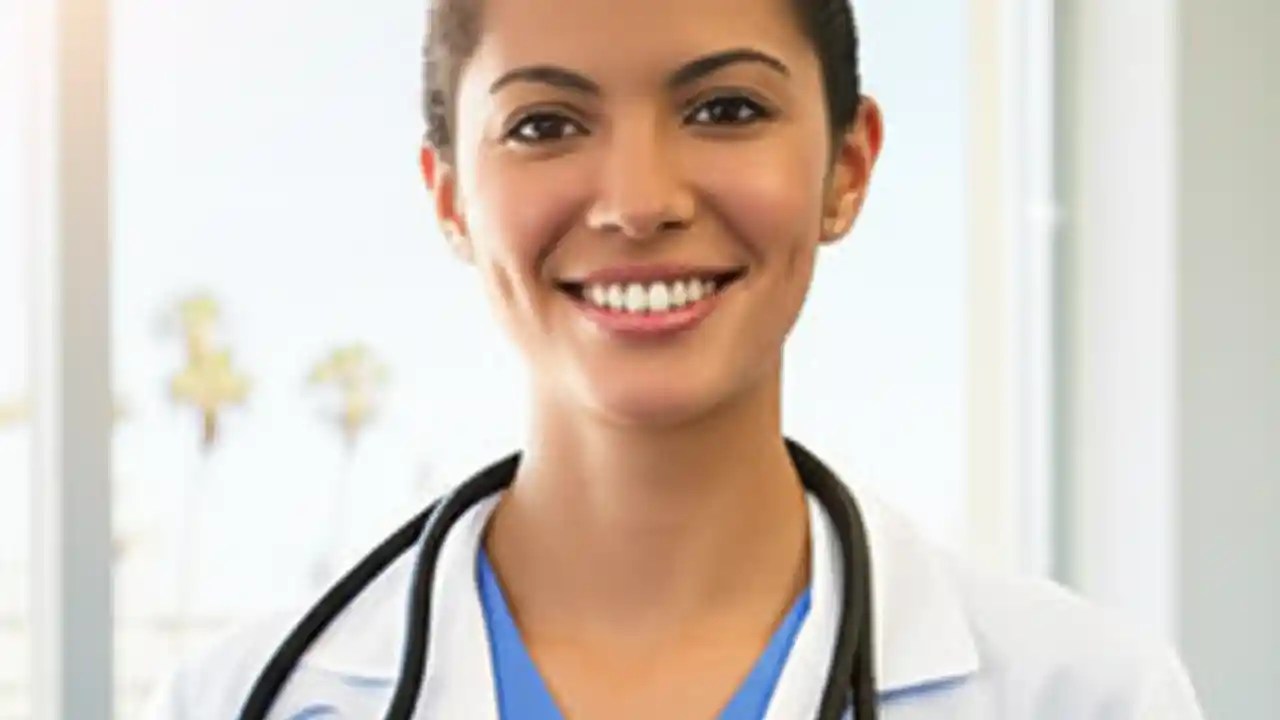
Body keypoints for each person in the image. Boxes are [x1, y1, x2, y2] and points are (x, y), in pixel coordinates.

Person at [148, 0, 1205, 717]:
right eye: (544, 124)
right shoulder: (243, 700)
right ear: (448, 196)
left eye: (724, 109)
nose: (639, 200)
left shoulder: (1079, 694)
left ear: (845, 166)